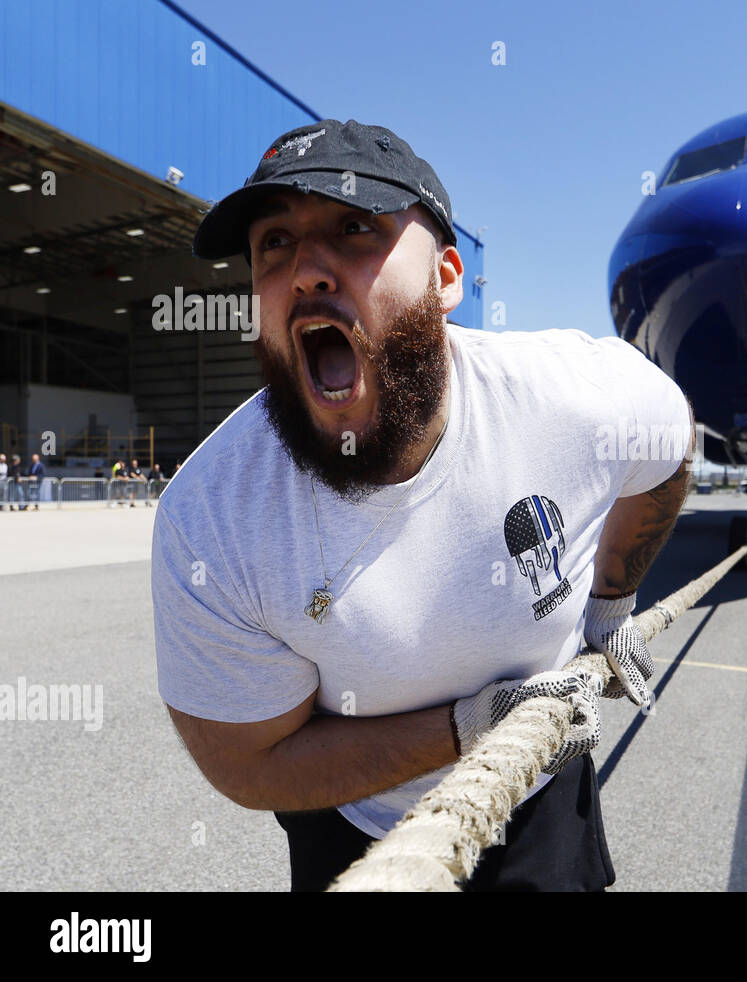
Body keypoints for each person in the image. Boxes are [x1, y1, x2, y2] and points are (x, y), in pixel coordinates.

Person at [152, 120, 694, 893]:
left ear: (447, 277)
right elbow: (251, 760)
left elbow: (670, 455)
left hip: (543, 790)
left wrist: (613, 603)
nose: (307, 269)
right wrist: (465, 729)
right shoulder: (211, 521)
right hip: (357, 825)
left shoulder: (577, 400)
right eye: (274, 244)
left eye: (354, 229)